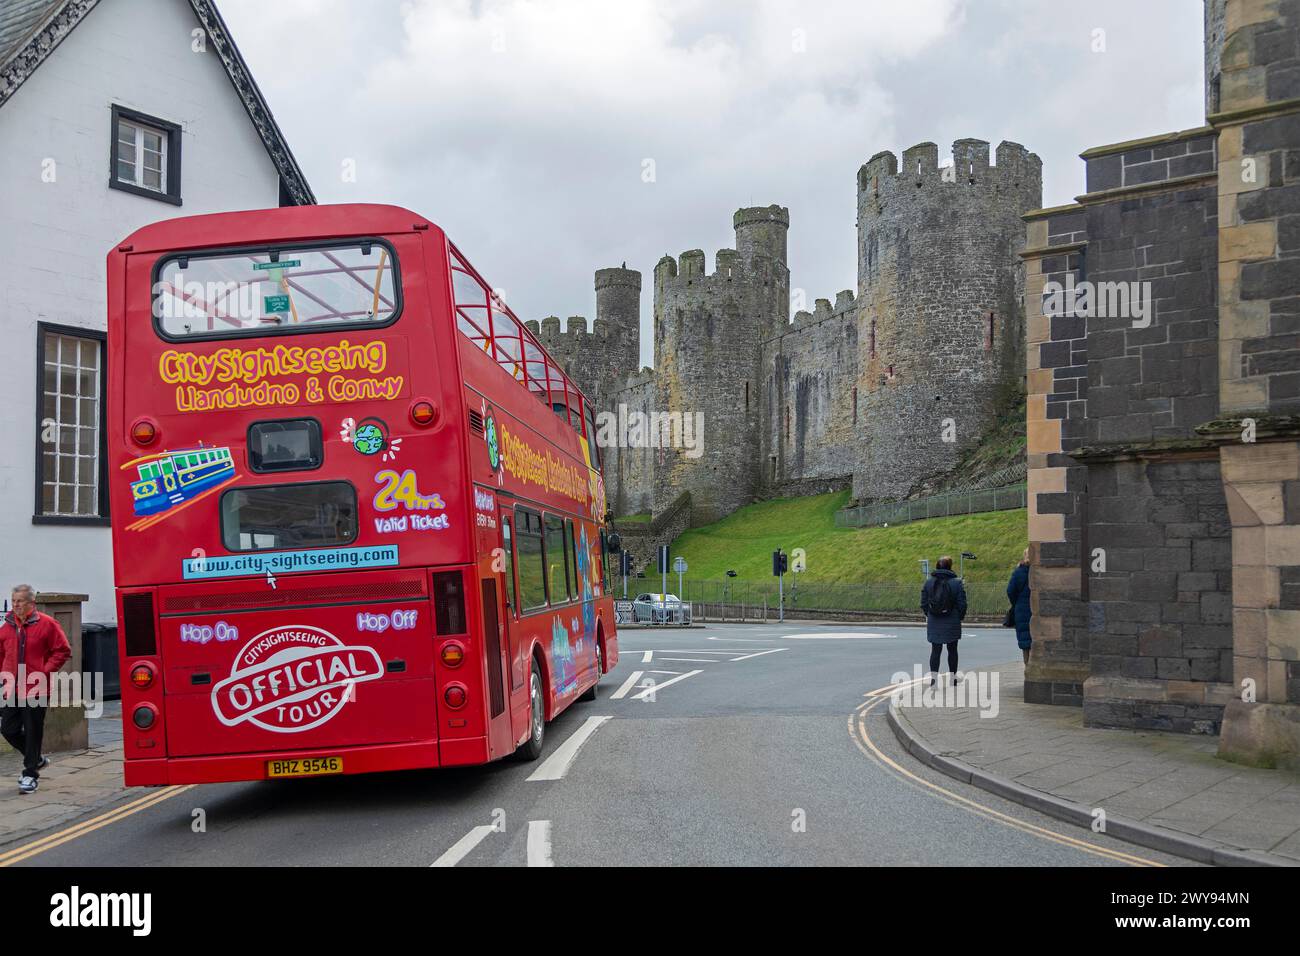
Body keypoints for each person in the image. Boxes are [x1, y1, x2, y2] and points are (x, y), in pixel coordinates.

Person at [0, 585, 71, 794]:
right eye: (13, 601)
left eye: (19, 601)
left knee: (33, 732)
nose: (15, 605)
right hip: (12, 688)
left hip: (36, 688)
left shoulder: (47, 624)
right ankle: (37, 759)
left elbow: (63, 650)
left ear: (32, 603)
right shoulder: (7, 627)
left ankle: (30, 774)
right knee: (8, 729)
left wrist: (44, 671)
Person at [921, 556, 967, 686]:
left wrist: (929, 614)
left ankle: (933, 680)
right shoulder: (957, 583)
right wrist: (959, 617)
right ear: (950, 567)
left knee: (935, 650)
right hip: (952, 620)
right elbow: (962, 603)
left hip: (934, 620)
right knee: (952, 650)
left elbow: (923, 603)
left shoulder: (929, 583)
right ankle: (953, 679)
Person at [1006, 547, 1032, 665]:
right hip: (1036, 608)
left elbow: (1010, 591)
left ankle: (1027, 670)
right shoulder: (1039, 571)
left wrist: (1016, 602)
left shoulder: (1018, 572)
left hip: (1021, 609)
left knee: (1025, 643)